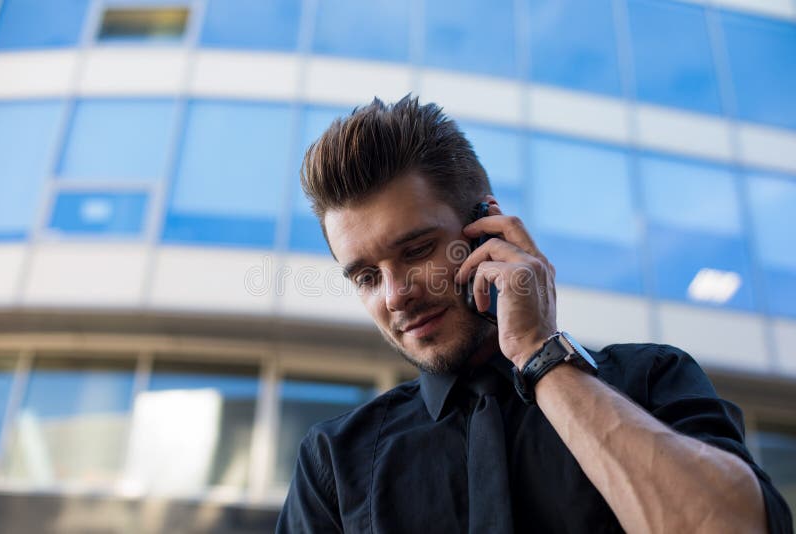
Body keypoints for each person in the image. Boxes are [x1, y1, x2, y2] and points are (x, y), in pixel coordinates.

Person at [276, 95, 792, 533]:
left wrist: (540, 356)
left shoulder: (651, 379)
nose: (394, 295)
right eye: (366, 277)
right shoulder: (334, 462)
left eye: (416, 251)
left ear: (488, 228)